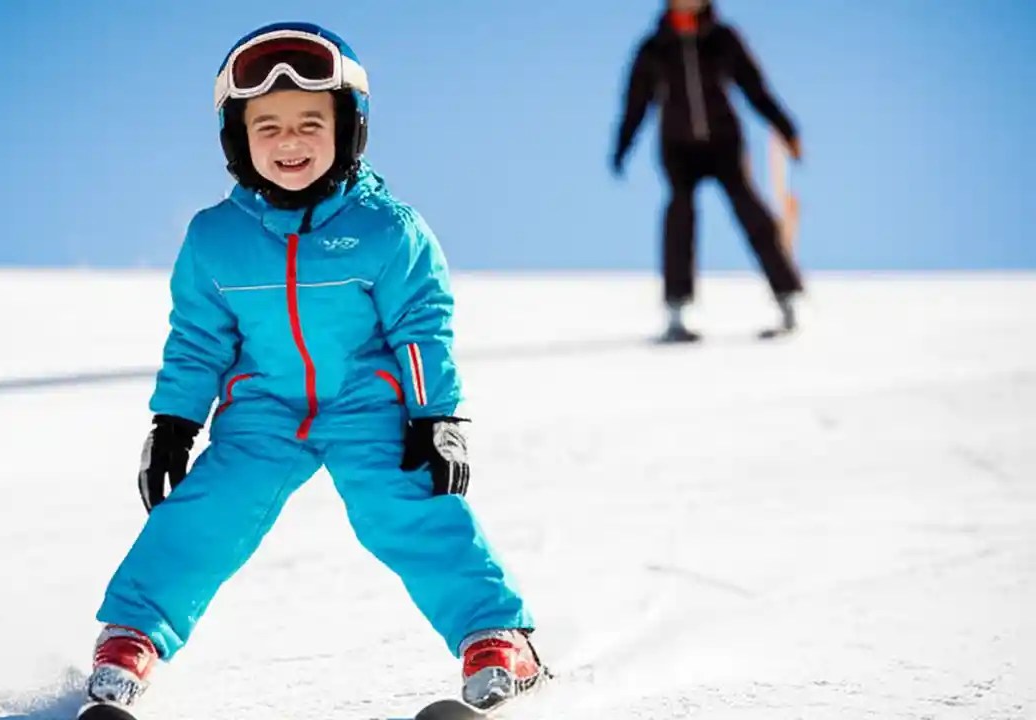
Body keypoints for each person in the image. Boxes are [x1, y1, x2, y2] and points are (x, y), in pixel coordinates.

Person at [78, 21, 546, 719]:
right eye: (266, 126)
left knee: (409, 510)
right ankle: (131, 639)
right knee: (206, 513)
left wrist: (436, 414)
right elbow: (197, 340)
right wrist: (175, 422)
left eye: (308, 123)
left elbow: (422, 325)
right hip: (264, 408)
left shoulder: (389, 229)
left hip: (367, 403)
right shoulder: (216, 238)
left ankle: (496, 636)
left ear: (348, 129)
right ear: (237, 140)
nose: (289, 143)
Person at [610, 0, 805, 341]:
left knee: (751, 211)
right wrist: (622, 146)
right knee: (679, 216)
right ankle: (677, 309)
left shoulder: (723, 38)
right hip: (678, 148)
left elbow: (755, 88)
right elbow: (636, 102)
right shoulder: (655, 47)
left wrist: (787, 129)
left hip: (724, 144)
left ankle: (788, 297)